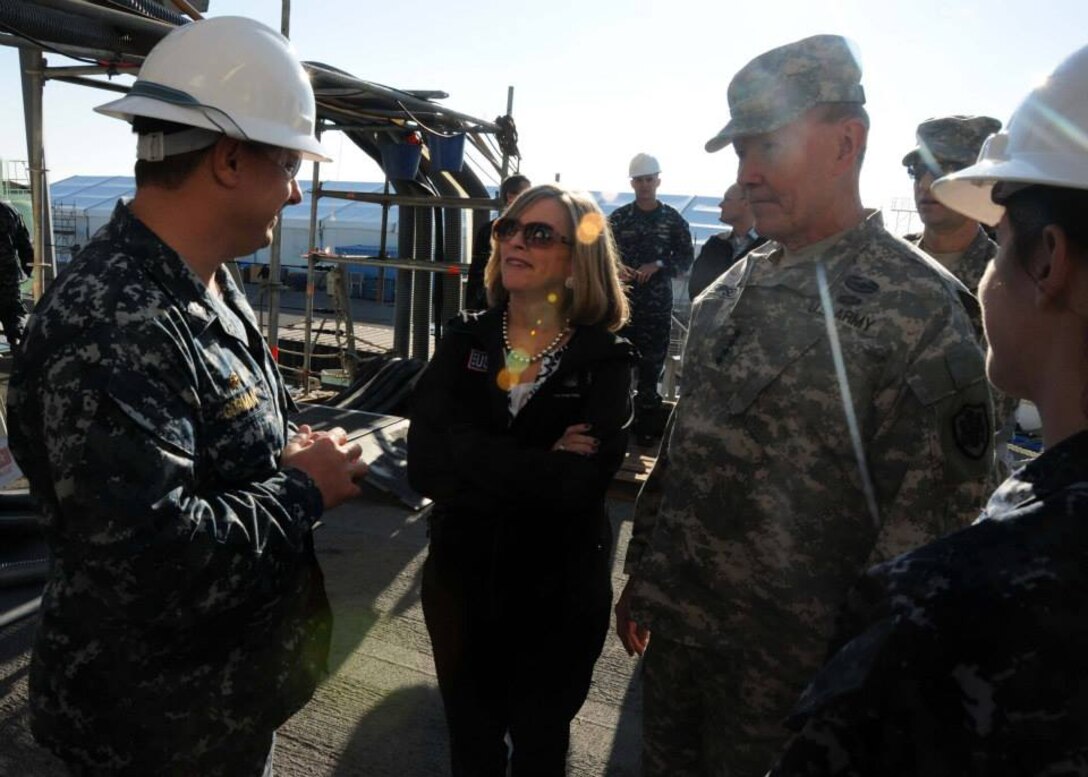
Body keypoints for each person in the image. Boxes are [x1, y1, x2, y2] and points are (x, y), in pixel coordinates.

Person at [614, 34, 994, 775]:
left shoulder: (922, 314)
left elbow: (926, 549)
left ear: (848, 141)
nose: (748, 173)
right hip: (682, 657)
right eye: (739, 152)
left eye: (770, 147)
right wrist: (646, 574)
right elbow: (687, 452)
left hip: (800, 699)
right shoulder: (729, 293)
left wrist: (859, 707)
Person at [6, 17, 368, 776]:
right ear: (230, 158)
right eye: (290, 165)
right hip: (153, 732)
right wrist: (303, 488)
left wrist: (286, 452)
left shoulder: (204, 280)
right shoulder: (117, 318)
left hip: (219, 702)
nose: (298, 190)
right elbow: (154, 558)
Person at [771, 42, 1088, 775]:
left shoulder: (950, 612)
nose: (927, 185)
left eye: (1000, 232)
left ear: (1046, 259)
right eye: (918, 168)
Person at [408, 183, 634, 776]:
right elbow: (426, 463)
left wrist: (473, 453)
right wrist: (540, 459)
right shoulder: (464, 342)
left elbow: (577, 488)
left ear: (577, 256)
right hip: (462, 587)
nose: (515, 241)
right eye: (507, 228)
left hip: (557, 597)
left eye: (538, 233)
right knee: (472, 749)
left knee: (540, 749)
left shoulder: (606, 362)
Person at [609, 153, 693, 446]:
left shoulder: (672, 220)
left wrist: (657, 265)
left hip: (655, 311)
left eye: (649, 179)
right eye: (639, 180)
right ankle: (614, 429)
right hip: (622, 307)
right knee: (615, 371)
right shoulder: (618, 219)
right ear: (632, 183)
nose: (644, 185)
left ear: (658, 180)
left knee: (650, 372)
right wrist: (616, 268)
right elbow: (601, 255)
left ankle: (644, 431)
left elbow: (685, 260)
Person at [902, 115, 1002, 291]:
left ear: (980, 180)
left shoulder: (1008, 279)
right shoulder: (882, 258)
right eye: (918, 170)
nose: (924, 185)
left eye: (941, 170)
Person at [687, 183, 766, 300]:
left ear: (746, 203)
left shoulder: (770, 247)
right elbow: (697, 288)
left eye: (727, 200)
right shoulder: (715, 245)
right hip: (711, 316)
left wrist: (721, 293)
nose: (720, 205)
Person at [466, 173, 532, 309]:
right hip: (496, 303)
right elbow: (478, 272)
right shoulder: (491, 230)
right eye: (527, 195)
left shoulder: (489, 228)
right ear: (510, 197)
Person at [0, 199, 32, 347]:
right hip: (8, 274)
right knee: (13, 312)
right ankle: (17, 345)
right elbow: (24, 243)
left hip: (8, 273)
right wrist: (28, 269)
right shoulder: (10, 210)